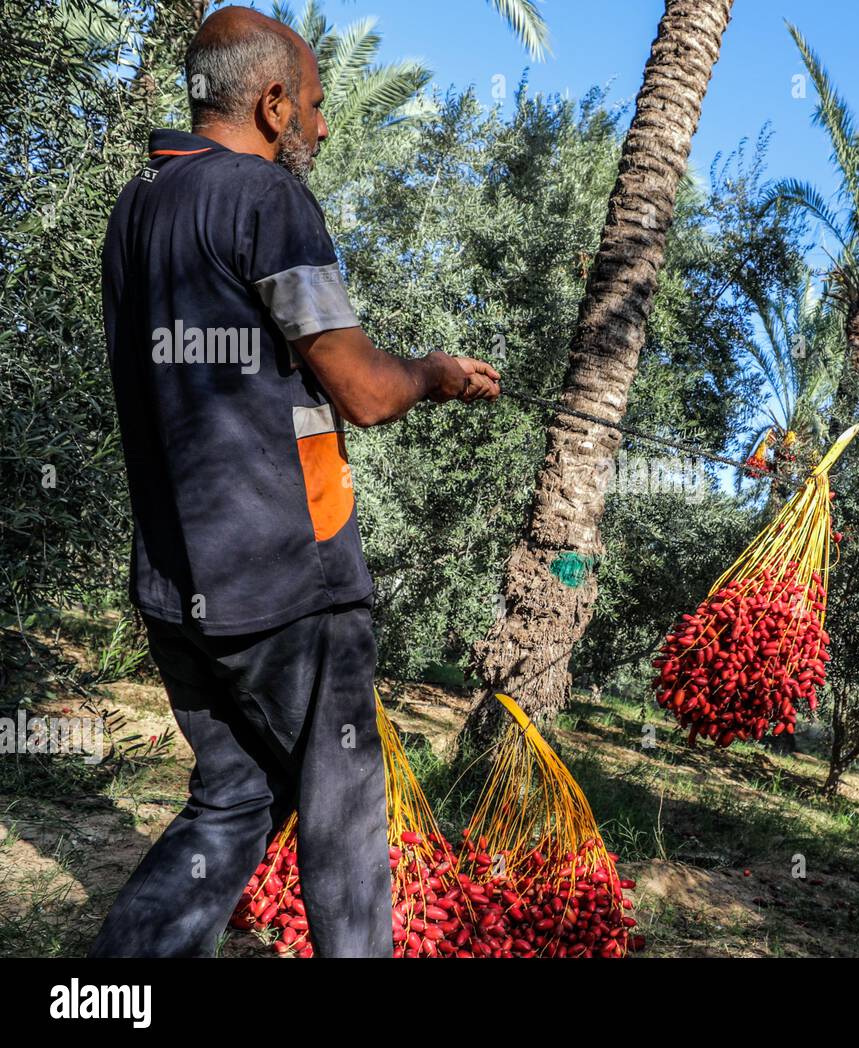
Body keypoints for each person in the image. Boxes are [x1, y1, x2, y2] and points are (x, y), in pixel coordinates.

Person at [90, 6, 500, 958]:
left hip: (177, 586)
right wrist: (434, 375)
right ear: (273, 104)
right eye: (315, 107)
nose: (321, 128)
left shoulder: (134, 212)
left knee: (234, 800)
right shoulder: (267, 201)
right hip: (288, 578)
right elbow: (360, 389)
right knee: (347, 816)